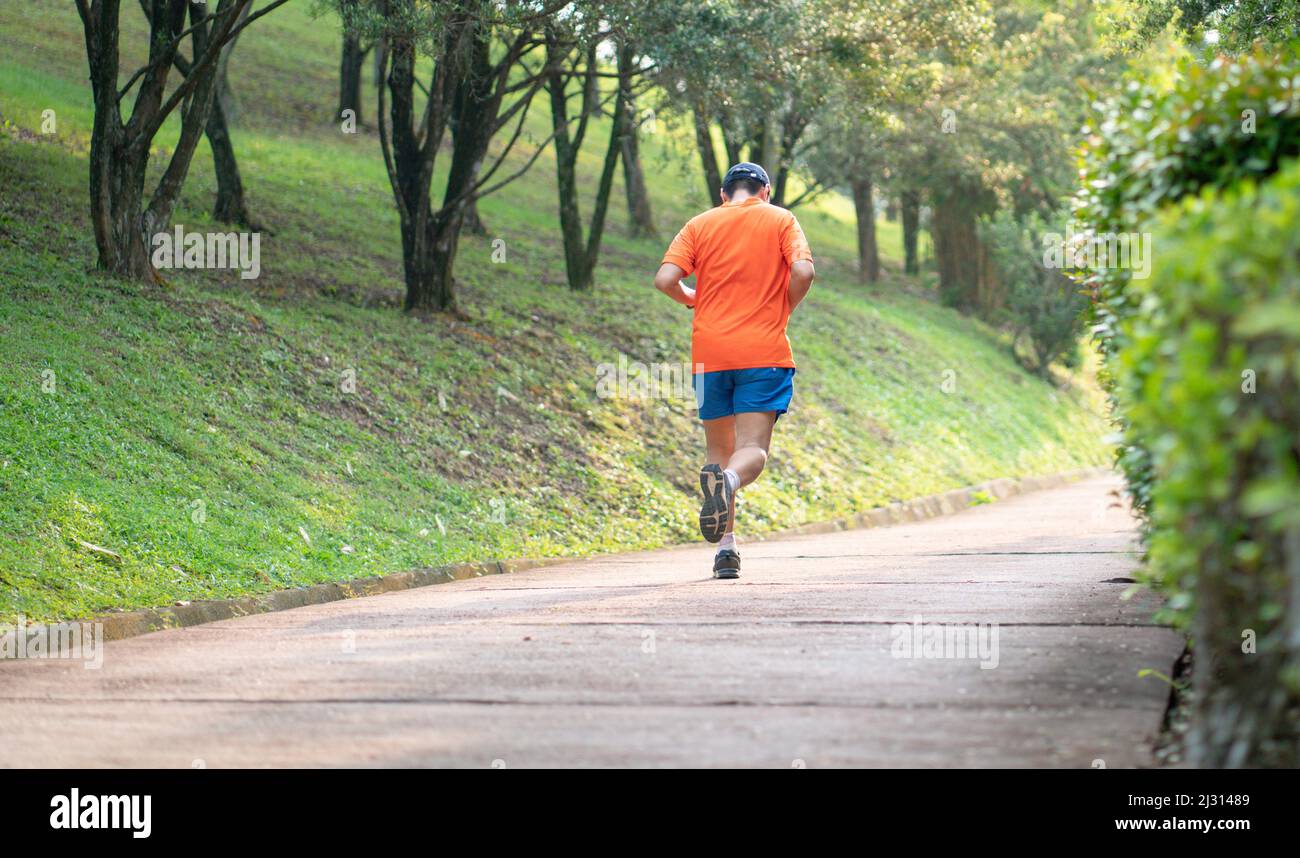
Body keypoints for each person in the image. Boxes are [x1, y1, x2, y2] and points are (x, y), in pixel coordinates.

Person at [653, 162, 815, 579]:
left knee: (717, 452)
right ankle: (727, 482)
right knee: (751, 452)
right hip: (763, 352)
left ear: (724, 195)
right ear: (766, 192)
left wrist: (692, 299)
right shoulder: (781, 218)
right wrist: (784, 308)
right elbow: (803, 270)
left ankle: (726, 551)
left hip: (709, 356)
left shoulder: (699, 224)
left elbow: (666, 278)